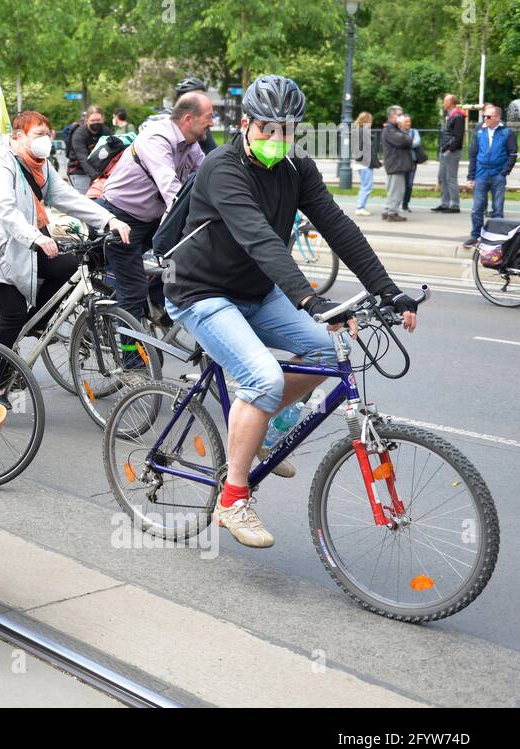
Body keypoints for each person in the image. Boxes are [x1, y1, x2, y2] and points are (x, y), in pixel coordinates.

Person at [163, 74, 419, 548]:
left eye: (287, 129)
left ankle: (265, 421)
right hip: (201, 291)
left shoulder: (296, 167)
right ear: (245, 123)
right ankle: (232, 500)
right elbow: (259, 237)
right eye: (267, 129)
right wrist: (310, 299)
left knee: (326, 351)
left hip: (256, 290)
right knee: (262, 378)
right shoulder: (222, 167)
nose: (277, 139)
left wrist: (387, 290)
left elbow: (338, 226)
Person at [0, 110, 130, 402]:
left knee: (69, 267)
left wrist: (109, 220)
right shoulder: (2, 162)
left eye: (47, 134)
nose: (46, 140)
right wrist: (37, 236)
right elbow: (4, 208)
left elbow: (67, 197)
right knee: (12, 313)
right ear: (18, 136)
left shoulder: (42, 166)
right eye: (38, 134)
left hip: (22, 245)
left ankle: (36, 321)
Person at [98, 91, 213, 324]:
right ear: (188, 119)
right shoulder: (157, 138)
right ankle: (132, 358)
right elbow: (171, 189)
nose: (212, 123)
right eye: (208, 117)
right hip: (121, 218)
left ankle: (158, 297)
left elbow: (207, 177)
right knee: (132, 289)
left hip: (152, 219)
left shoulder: (191, 145)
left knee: (188, 258)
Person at [464, 103, 518, 248]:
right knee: (477, 208)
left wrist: (503, 173)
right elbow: (473, 155)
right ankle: (476, 236)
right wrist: (471, 177)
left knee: (497, 209)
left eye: (488, 116)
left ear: (497, 117)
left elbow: (512, 154)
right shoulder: (479, 133)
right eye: (484, 116)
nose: (485, 119)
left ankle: (496, 239)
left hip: (497, 174)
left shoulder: (507, 133)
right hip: (481, 174)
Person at [433, 94, 465, 213]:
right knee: (442, 177)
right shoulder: (449, 115)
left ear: (451, 103)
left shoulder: (458, 116)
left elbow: (458, 136)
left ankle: (455, 205)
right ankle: (445, 203)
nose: (443, 103)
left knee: (451, 177)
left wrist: (449, 149)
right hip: (445, 150)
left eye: (445, 101)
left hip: (451, 151)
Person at [379, 106, 412, 223]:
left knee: (393, 189)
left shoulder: (392, 128)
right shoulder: (390, 129)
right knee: (398, 190)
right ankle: (392, 213)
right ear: (393, 116)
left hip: (395, 163)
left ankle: (388, 210)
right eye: (400, 115)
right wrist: (405, 133)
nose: (402, 117)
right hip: (396, 163)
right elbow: (403, 141)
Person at [66, 104, 108, 192]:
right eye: (93, 120)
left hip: (99, 171)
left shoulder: (106, 131)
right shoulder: (79, 134)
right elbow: (83, 159)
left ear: (103, 119)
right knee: (84, 200)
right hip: (79, 171)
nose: (96, 123)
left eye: (98, 120)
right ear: (86, 121)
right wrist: (95, 177)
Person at [352, 112, 377, 216]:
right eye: (370, 120)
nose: (371, 122)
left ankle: (360, 206)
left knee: (365, 186)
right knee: (367, 186)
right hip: (364, 164)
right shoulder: (363, 132)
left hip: (361, 163)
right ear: (366, 121)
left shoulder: (359, 130)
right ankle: (360, 207)